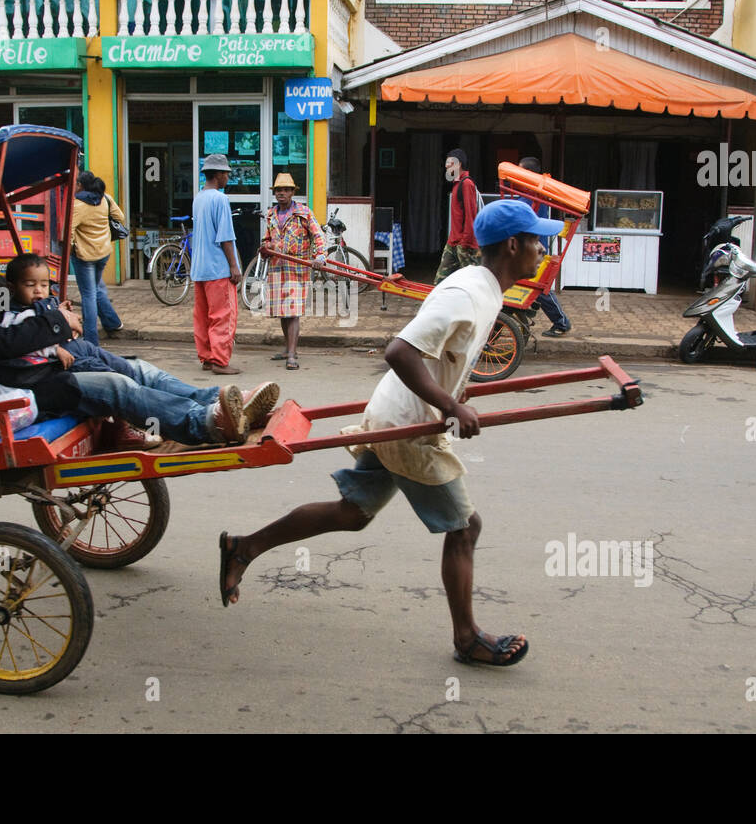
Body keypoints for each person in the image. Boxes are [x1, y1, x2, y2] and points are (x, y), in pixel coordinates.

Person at [218, 198, 564, 667]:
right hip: (406, 426)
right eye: (537, 241)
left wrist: (456, 395)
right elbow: (399, 351)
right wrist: (449, 404)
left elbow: (443, 357)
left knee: (353, 512)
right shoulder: (468, 292)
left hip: (398, 414)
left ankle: (245, 547)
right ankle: (467, 639)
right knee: (465, 528)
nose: (543, 250)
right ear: (512, 244)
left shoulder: (489, 289)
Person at [0, 208, 268, 447]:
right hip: (24, 382)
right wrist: (58, 324)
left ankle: (218, 402)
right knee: (117, 385)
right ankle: (203, 423)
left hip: (48, 359)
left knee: (138, 369)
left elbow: (24, 310)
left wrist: (55, 318)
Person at [260, 172, 326, 371]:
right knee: (283, 312)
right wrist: (265, 247)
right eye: (279, 190)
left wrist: (320, 256)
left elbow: (318, 236)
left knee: (293, 312)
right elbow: (267, 238)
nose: (282, 193)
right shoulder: (271, 214)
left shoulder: (304, 212)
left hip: (297, 269)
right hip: (277, 267)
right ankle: (289, 348)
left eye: (286, 190)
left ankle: (292, 354)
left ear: (292, 192)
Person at [191, 153, 242, 375]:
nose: (228, 178)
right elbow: (225, 237)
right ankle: (221, 361)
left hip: (200, 268)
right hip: (218, 268)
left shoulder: (199, 197)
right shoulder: (220, 199)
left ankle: (207, 358)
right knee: (223, 316)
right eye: (227, 174)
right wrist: (234, 266)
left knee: (203, 316)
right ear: (220, 175)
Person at [69, 172, 125, 344]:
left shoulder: (78, 205)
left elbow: (69, 230)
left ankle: (91, 340)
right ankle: (112, 322)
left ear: (80, 185)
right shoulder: (105, 199)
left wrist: (71, 248)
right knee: (97, 288)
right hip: (103, 252)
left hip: (85, 256)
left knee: (88, 295)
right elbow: (120, 218)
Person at [519, 157, 571, 337]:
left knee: (540, 289)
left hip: (534, 249)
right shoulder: (528, 194)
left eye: (522, 171)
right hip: (527, 248)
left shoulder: (534, 195)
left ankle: (561, 322)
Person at [434, 148, 481, 285]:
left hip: (464, 244)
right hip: (453, 242)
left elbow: (470, 214)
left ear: (458, 164)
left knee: (474, 284)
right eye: (446, 163)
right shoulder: (457, 184)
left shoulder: (466, 184)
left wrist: (465, 242)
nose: (446, 165)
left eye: (450, 162)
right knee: (440, 283)